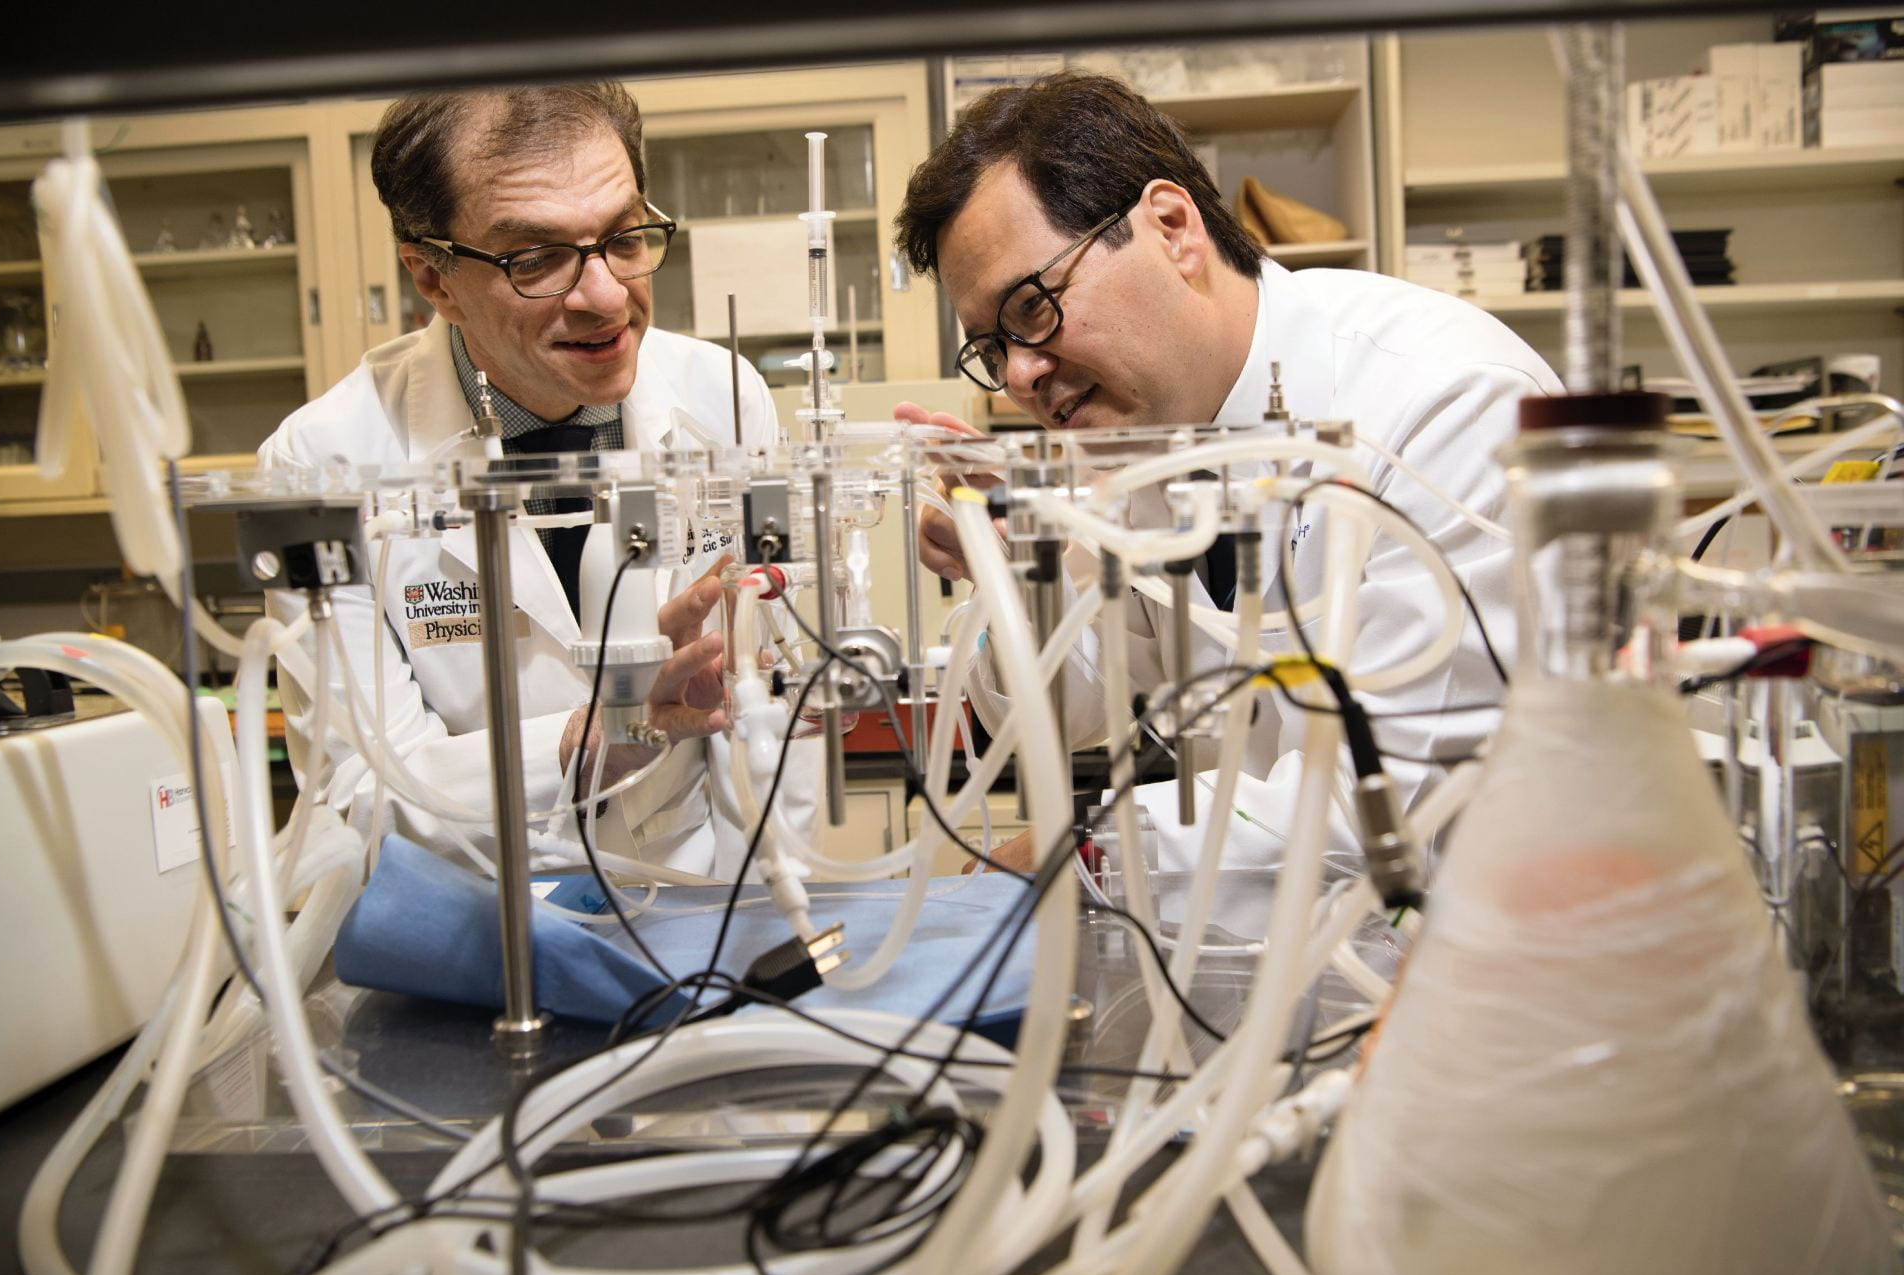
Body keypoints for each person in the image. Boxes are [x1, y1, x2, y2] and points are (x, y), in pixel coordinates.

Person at [891, 73, 1563, 873]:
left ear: (1172, 227)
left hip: (1456, 962)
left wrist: (1090, 853)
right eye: (993, 349)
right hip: (1267, 960)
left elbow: (1398, 806)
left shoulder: (1444, 405)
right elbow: (1065, 705)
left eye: (1033, 307)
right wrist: (1003, 575)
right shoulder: (1151, 442)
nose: (1021, 377)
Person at [261, 84, 812, 879]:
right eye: (537, 259)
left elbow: (769, 711)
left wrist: (758, 927)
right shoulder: (322, 461)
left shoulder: (722, 398)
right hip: (475, 914)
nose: (605, 297)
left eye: (624, 238)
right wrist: (592, 738)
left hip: (695, 893)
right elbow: (359, 793)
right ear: (433, 278)